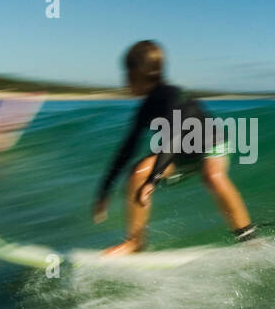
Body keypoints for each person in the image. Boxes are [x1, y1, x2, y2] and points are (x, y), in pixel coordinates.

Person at [92, 41, 256, 255]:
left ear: (139, 73)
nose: (126, 80)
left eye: (128, 73)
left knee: (213, 176)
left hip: (211, 144)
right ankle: (135, 243)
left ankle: (248, 238)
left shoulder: (170, 95)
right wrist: (105, 190)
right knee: (138, 173)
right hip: (179, 153)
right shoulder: (145, 108)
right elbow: (127, 149)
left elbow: (176, 135)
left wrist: (154, 179)